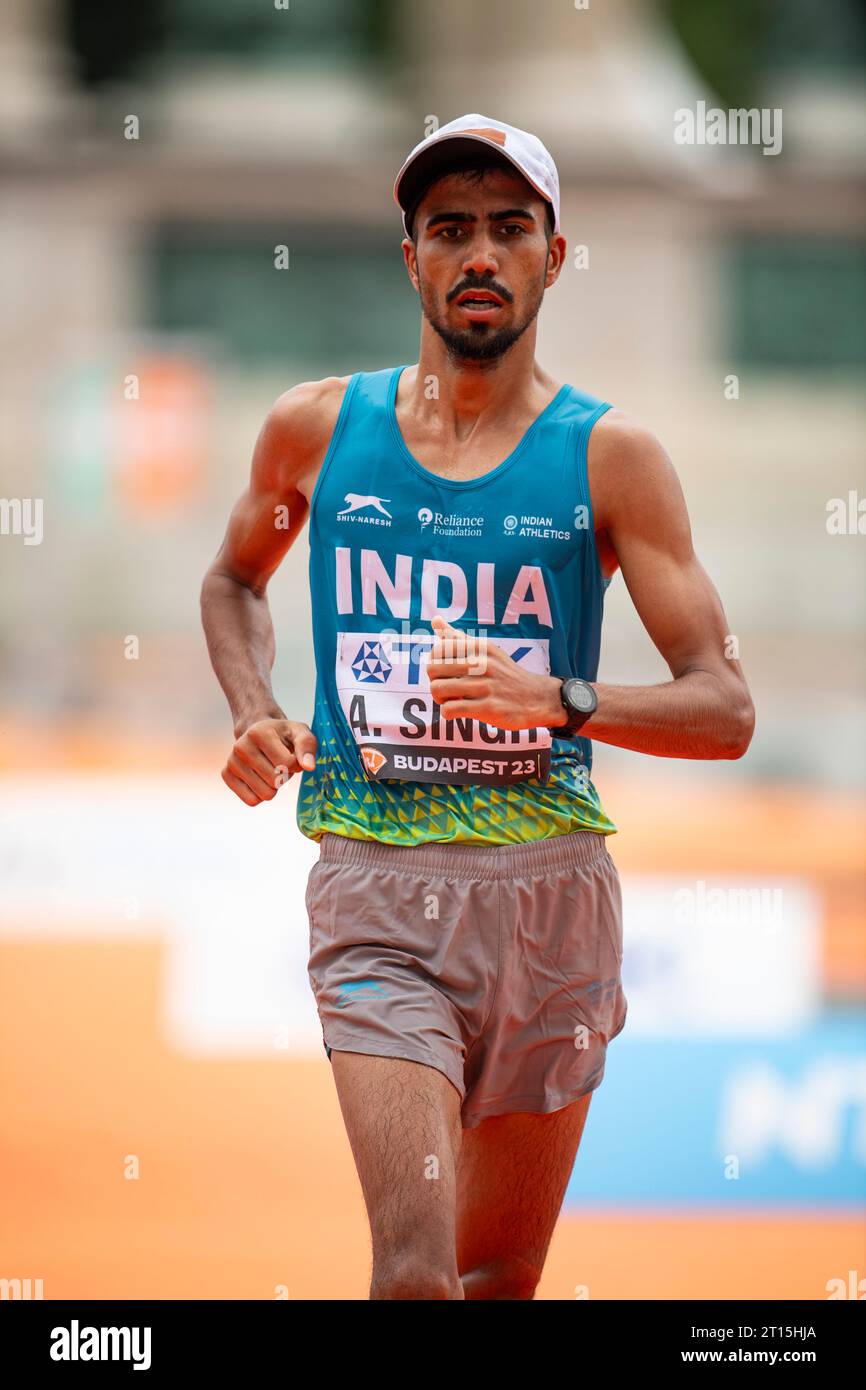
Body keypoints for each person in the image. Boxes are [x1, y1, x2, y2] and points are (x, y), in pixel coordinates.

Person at [200, 114, 755, 1300]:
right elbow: (234, 580)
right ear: (410, 259)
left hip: (550, 896)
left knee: (495, 1276)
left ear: (555, 256)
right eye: (449, 230)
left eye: (510, 229)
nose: (479, 256)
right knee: (412, 1273)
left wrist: (558, 698)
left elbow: (723, 711)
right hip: (375, 894)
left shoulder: (611, 457)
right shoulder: (313, 430)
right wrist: (253, 707)